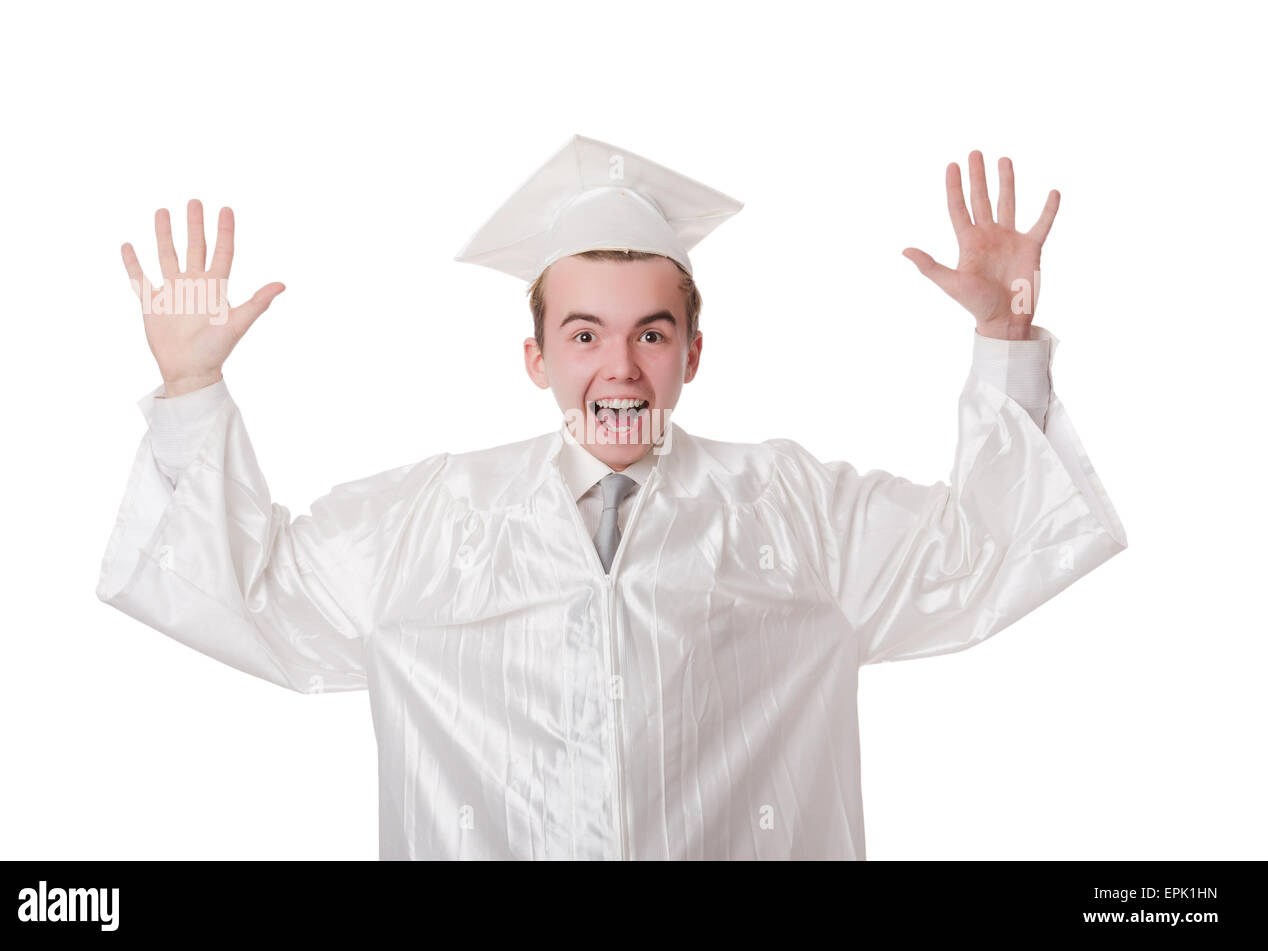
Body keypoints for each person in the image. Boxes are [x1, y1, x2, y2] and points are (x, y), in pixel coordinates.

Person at [96, 134, 1126, 860]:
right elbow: (247, 597)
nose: (620, 369)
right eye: (584, 334)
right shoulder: (429, 524)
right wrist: (192, 389)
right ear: (535, 357)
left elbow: (987, 555)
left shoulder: (791, 513)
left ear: (692, 355)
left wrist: (1004, 337)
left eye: (652, 333)